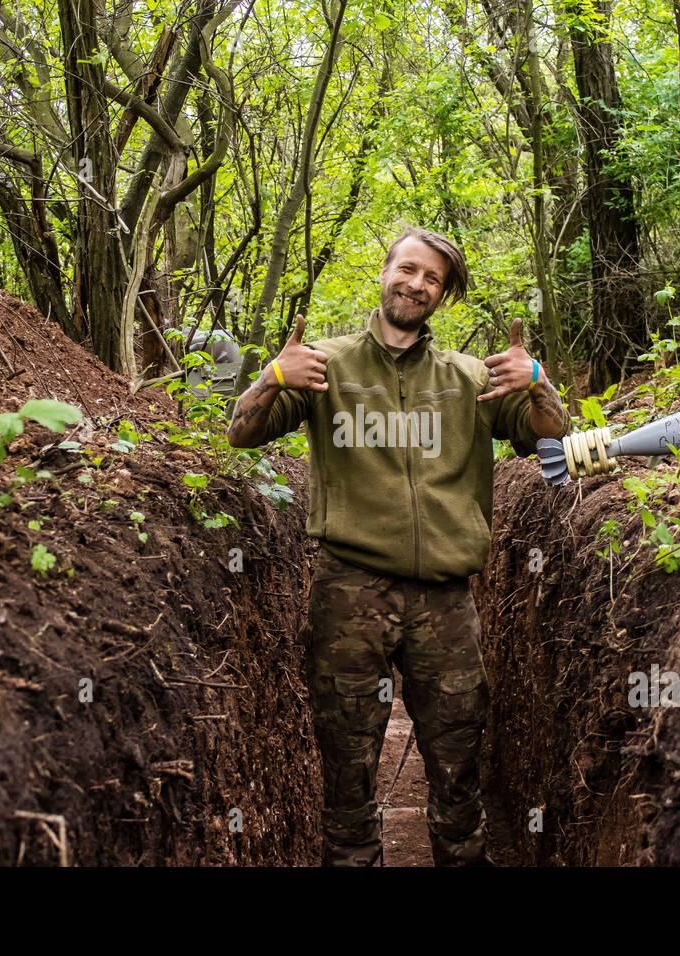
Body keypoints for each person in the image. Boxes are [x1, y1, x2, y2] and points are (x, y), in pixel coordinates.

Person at [227, 227, 569, 866]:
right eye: (407, 269)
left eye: (432, 279)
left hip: (446, 599)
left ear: (443, 296)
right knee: (347, 754)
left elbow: (549, 434)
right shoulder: (325, 366)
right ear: (385, 272)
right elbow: (241, 434)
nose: (416, 284)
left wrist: (537, 378)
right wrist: (273, 375)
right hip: (349, 590)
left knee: (459, 751)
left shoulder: (470, 377)